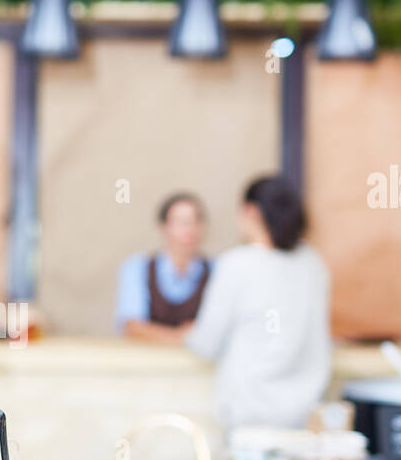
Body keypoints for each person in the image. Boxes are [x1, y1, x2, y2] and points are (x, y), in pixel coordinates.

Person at [184, 176, 331, 431]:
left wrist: (184, 334)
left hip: (250, 415)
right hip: (304, 415)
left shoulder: (237, 264)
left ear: (250, 211)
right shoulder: (313, 263)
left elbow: (206, 344)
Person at [115, 192, 212, 344]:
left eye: (195, 221)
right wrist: (181, 337)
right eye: (181, 222)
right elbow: (132, 326)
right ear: (164, 227)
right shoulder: (138, 268)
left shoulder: (217, 270)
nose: (189, 230)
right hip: (149, 363)